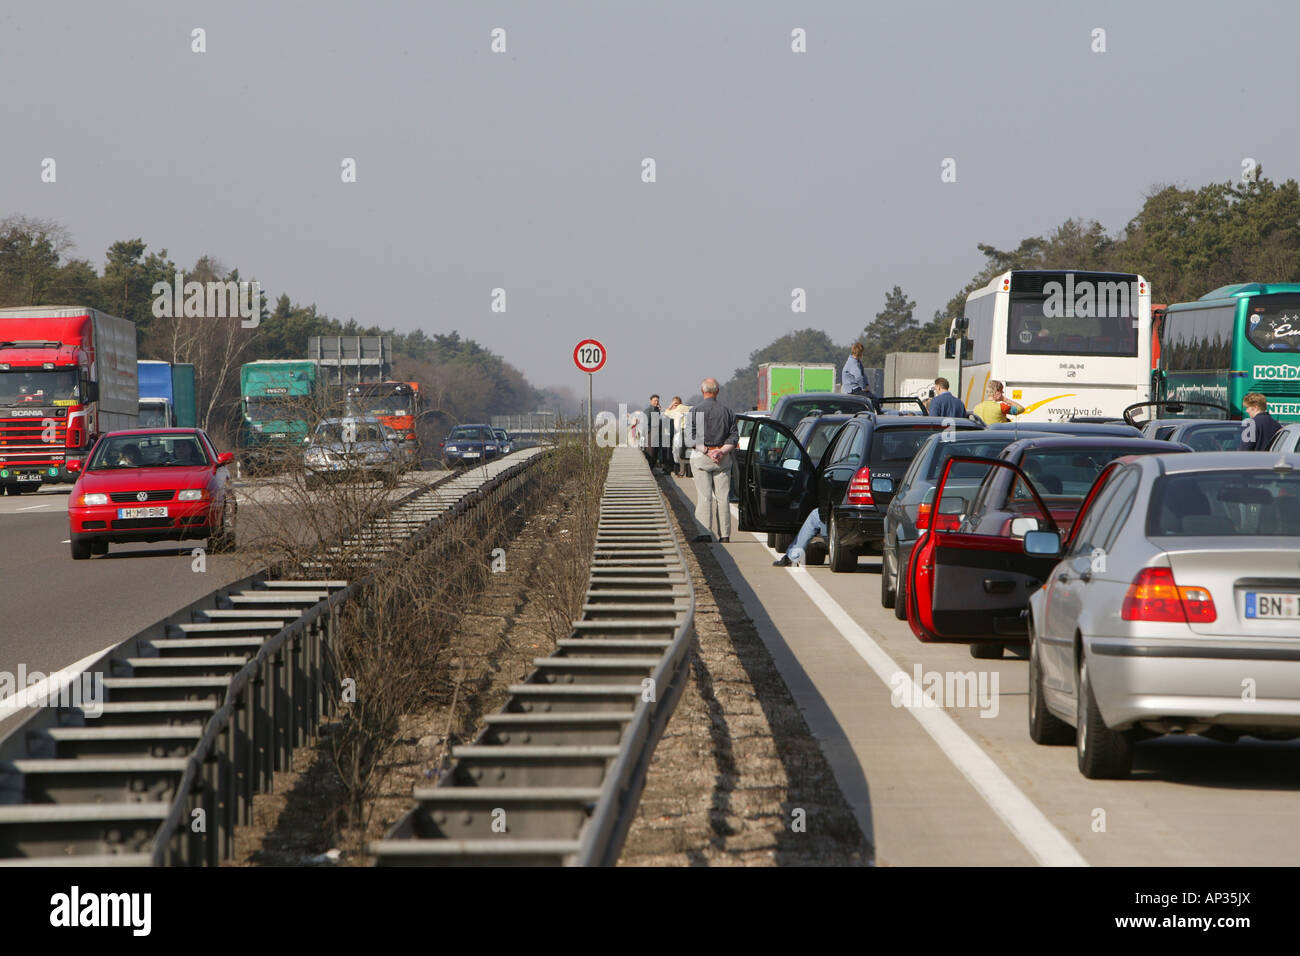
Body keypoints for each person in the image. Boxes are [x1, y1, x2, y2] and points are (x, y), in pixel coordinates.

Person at [690, 378, 738, 543]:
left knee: (704, 496)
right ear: (717, 392)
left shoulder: (696, 411)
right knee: (723, 498)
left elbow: (690, 437)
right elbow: (734, 436)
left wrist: (707, 451)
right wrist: (721, 451)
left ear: (703, 391)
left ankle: (704, 533)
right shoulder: (728, 412)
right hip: (722, 459)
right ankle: (724, 534)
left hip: (702, 458)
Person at [842, 343, 881, 411]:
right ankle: (878, 414)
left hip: (854, 389)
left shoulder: (856, 362)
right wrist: (863, 388)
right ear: (860, 353)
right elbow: (859, 377)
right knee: (874, 399)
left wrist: (866, 384)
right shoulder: (853, 363)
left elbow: (863, 375)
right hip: (853, 390)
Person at [664, 396, 691, 476]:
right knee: (688, 452)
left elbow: (666, 413)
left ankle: (681, 471)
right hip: (689, 433)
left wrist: (671, 405)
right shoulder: (688, 408)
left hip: (678, 434)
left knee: (677, 452)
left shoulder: (676, 411)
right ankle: (688, 471)